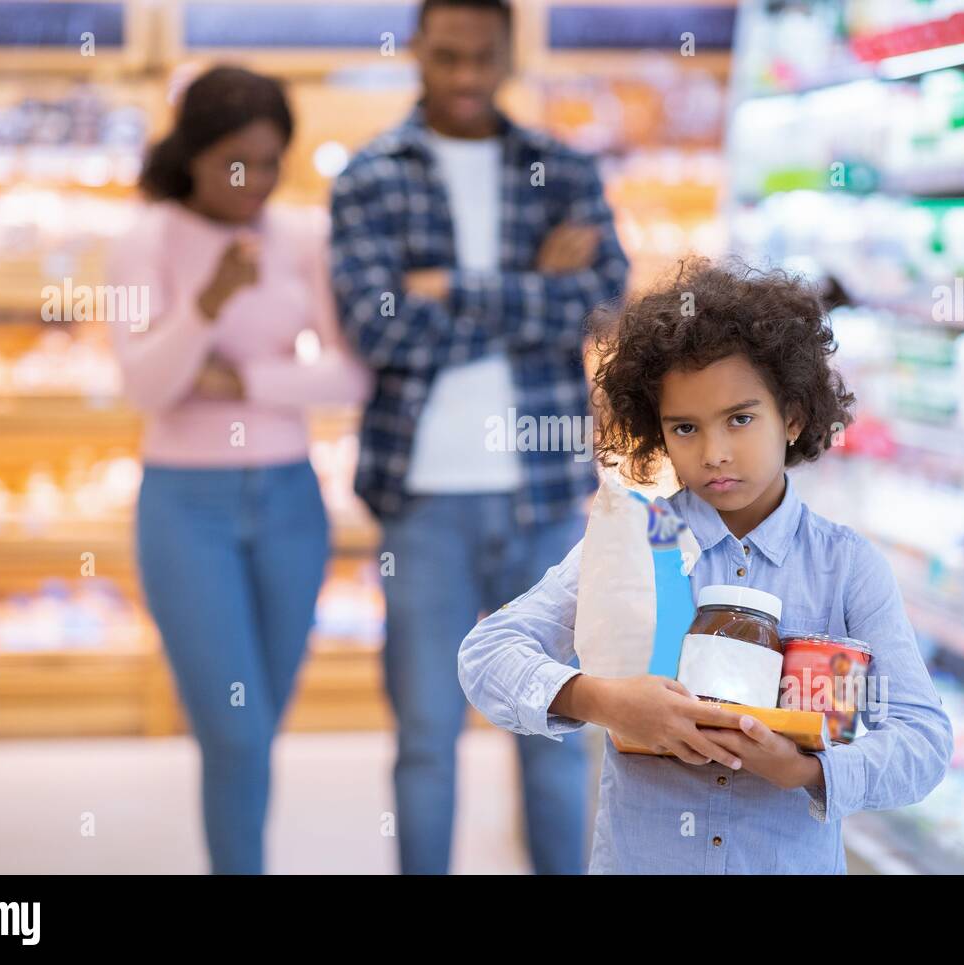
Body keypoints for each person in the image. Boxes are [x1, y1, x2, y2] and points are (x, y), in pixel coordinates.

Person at [459, 258, 953, 873]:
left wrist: (803, 769)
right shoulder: (642, 540)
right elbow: (487, 652)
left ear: (792, 417)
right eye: (685, 428)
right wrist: (605, 702)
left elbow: (923, 742)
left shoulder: (845, 566)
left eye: (740, 419)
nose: (715, 454)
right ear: (657, 433)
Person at [329, 0, 629, 874]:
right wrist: (530, 291)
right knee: (426, 736)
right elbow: (379, 329)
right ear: (417, 50)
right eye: (447, 57)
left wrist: (451, 290)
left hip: (541, 493)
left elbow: (606, 299)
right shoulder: (370, 177)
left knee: (558, 727)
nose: (465, 78)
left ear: (510, 54)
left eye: (482, 59)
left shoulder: (561, 169)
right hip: (420, 499)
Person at [108, 65, 371, 874]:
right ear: (190, 154)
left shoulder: (303, 238)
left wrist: (243, 380)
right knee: (235, 730)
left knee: (259, 724)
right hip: (186, 507)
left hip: (291, 499)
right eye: (235, 162)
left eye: (269, 162)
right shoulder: (142, 240)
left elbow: (352, 375)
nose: (254, 181)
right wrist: (209, 304)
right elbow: (142, 383)